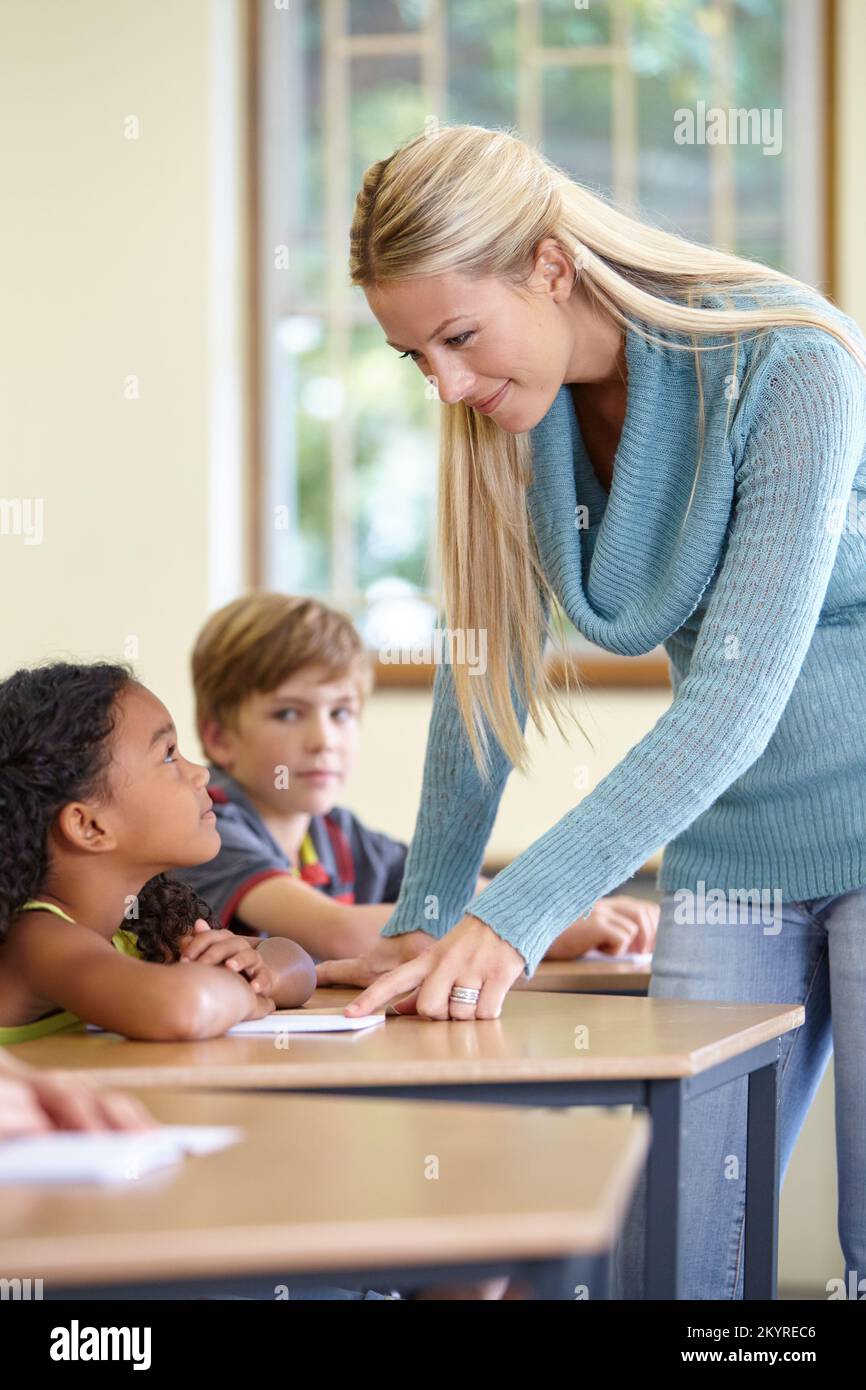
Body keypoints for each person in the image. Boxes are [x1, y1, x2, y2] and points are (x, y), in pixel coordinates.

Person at [335, 123, 866, 1299]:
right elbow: (479, 683)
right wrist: (429, 913)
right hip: (730, 853)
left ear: (548, 266)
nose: (446, 386)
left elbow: (733, 696)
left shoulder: (789, 362)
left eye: (458, 337)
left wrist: (513, 914)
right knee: (670, 1259)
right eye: (414, 357)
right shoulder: (518, 423)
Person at [171, 589, 657, 970]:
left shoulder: (340, 834)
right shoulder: (207, 829)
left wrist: (557, 910)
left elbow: (451, 887)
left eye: (341, 713)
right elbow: (337, 932)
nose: (323, 740)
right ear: (218, 738)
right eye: (288, 713)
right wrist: (530, 927)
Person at [0, 661, 316, 1044]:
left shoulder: (138, 927)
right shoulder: (39, 940)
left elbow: (298, 964)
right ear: (89, 826)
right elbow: (183, 1008)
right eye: (168, 755)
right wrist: (241, 990)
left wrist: (264, 973)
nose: (201, 773)